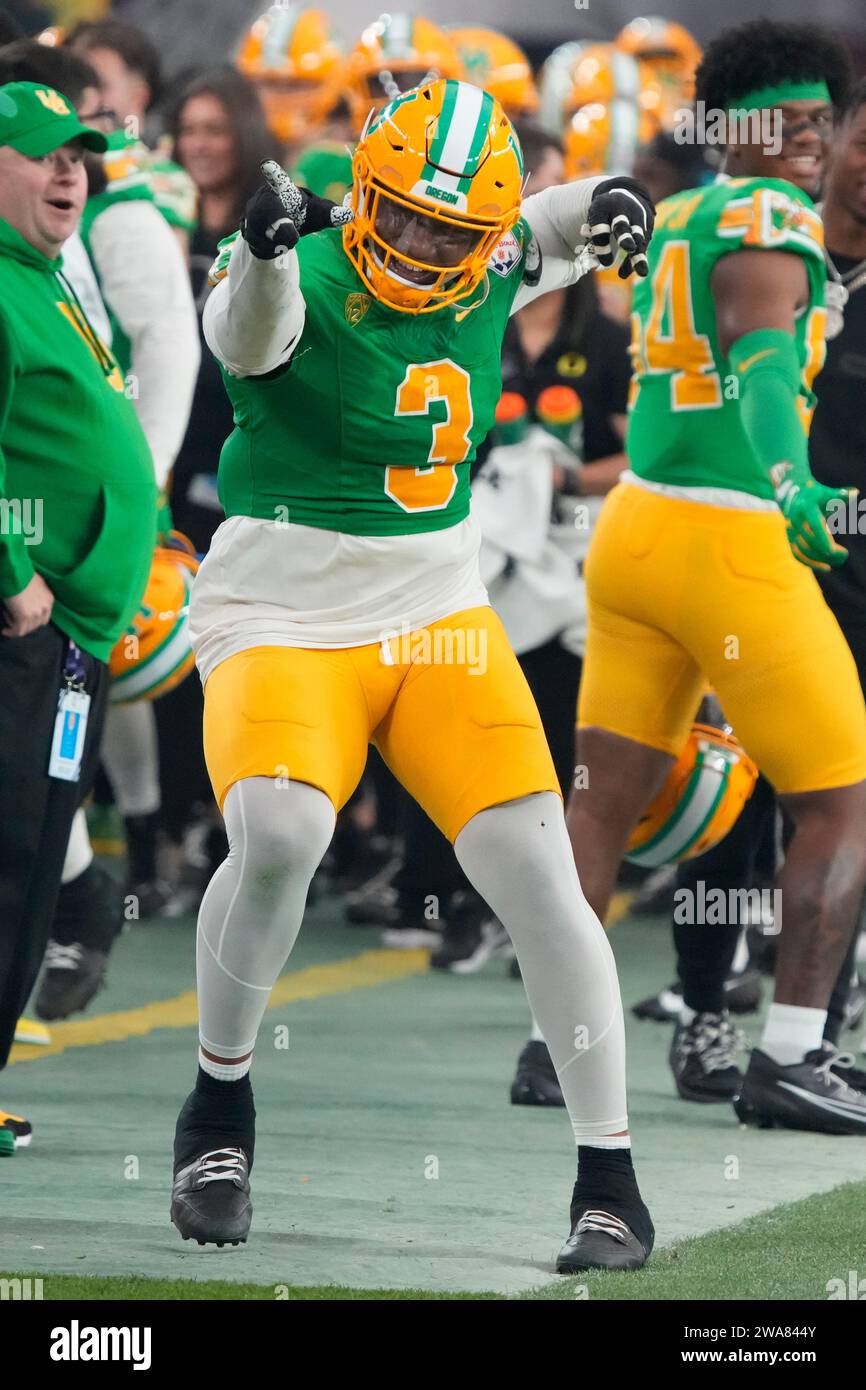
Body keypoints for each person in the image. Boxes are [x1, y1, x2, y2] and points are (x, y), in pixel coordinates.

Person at [169, 77, 658, 1273]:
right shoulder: (296, 272)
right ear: (361, 197)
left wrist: (611, 195)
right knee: (279, 830)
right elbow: (242, 332)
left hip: (435, 611)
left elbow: (544, 223)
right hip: (282, 609)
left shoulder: (494, 258)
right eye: (407, 216)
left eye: (455, 228)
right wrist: (266, 248)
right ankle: (217, 1108)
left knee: (539, 876)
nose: (429, 243)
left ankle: (610, 1180)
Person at [562, 19, 866, 1136]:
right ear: (729, 125)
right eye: (779, 118)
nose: (801, 137)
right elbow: (760, 361)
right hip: (731, 536)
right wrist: (790, 483)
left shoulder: (680, 209)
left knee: (599, 796)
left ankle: (560, 1038)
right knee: (838, 797)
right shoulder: (768, 214)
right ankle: (790, 1054)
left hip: (634, 527)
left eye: (813, 119)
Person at [0, 81, 157, 1148]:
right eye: (45, 154)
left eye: (80, 157)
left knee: (32, 861)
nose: (71, 173)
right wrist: (11, 572)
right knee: (11, 859)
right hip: (28, 634)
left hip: (74, 642)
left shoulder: (46, 279)